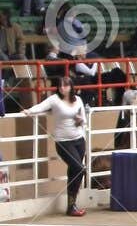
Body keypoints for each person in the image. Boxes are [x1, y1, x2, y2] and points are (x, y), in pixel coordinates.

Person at [23, 75, 89, 215]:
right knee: (79, 168)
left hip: (78, 139)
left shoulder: (78, 100)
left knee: (74, 171)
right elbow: (41, 106)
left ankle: (71, 206)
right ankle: (72, 206)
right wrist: (29, 111)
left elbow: (84, 119)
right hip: (63, 141)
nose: (62, 88)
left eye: (65, 85)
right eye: (60, 85)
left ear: (71, 87)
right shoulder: (54, 100)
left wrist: (80, 121)